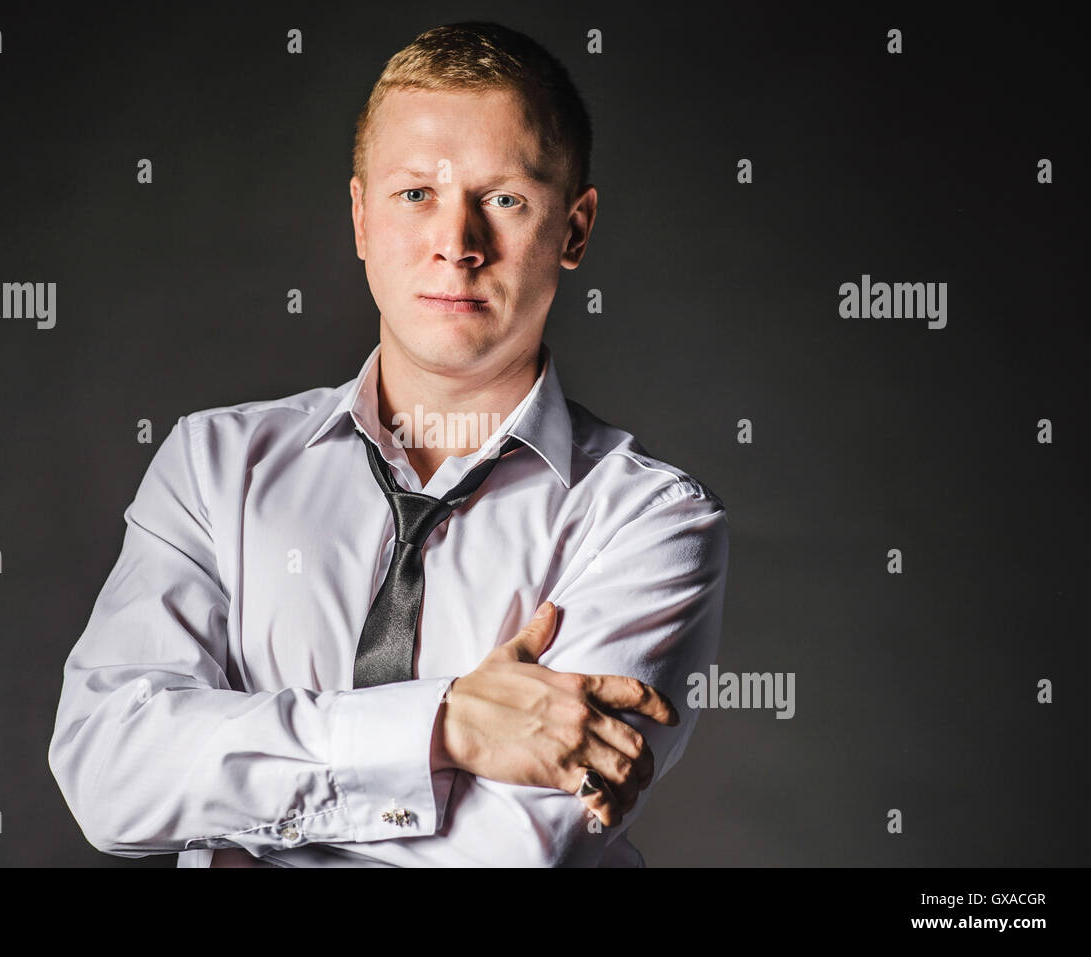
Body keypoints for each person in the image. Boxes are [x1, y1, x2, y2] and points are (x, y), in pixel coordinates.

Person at [47, 20, 729, 867]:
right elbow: (108, 769)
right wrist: (447, 723)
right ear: (363, 216)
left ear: (575, 228)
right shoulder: (213, 467)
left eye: (505, 199)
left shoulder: (648, 523)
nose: (458, 242)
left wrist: (243, 819)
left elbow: (510, 853)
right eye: (416, 195)